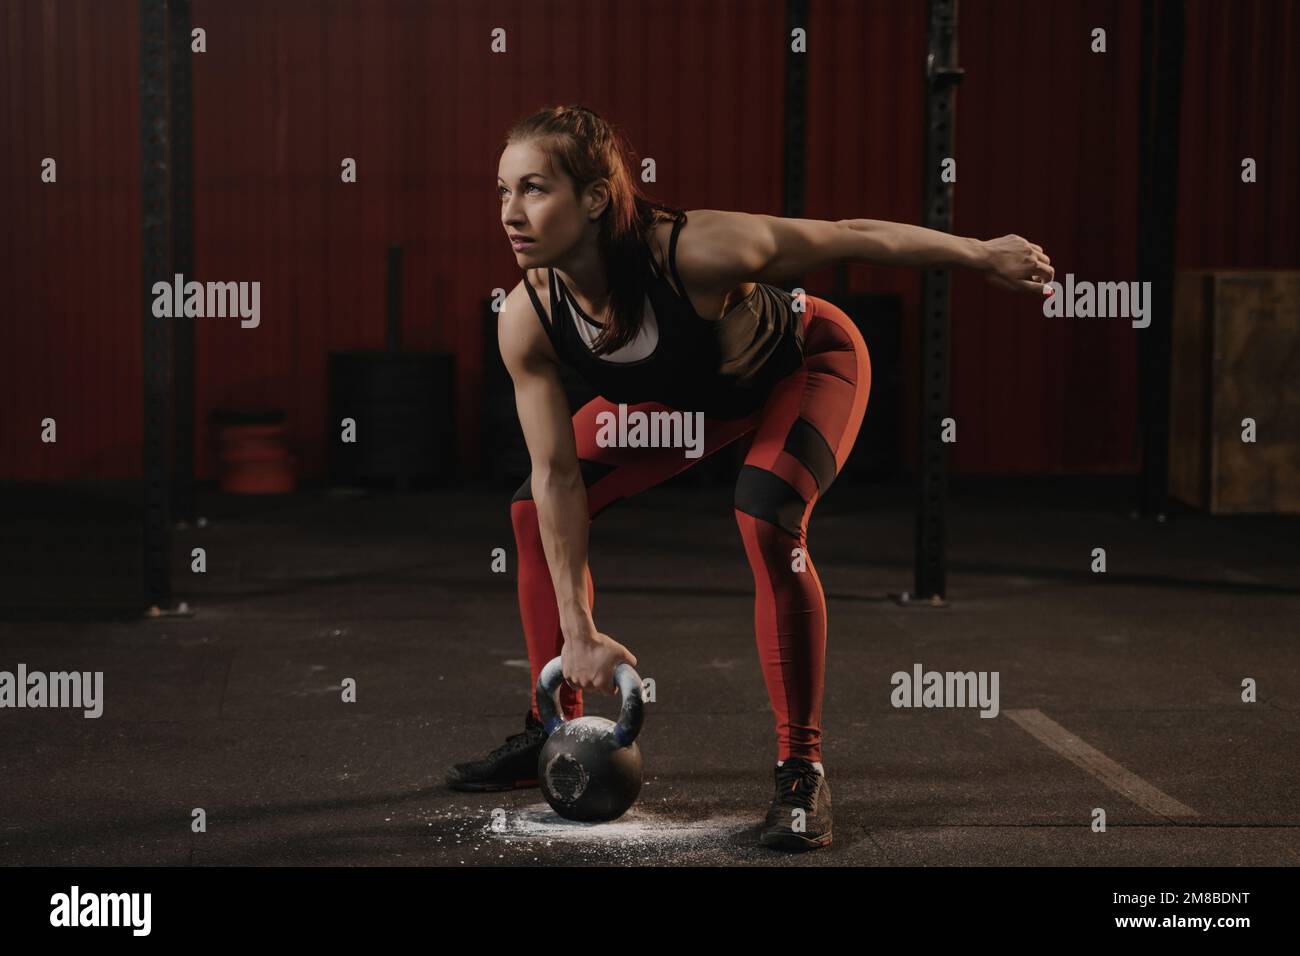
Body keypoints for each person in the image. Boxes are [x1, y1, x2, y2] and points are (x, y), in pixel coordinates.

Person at [445, 105, 1053, 851]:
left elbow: (849, 235)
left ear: (596, 196)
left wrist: (981, 253)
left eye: (534, 189)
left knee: (766, 515)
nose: (511, 213)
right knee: (528, 512)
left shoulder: (696, 250)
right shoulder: (528, 315)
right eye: (502, 190)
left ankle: (802, 771)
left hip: (804, 364)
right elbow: (555, 476)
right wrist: (579, 630)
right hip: (691, 405)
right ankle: (552, 730)